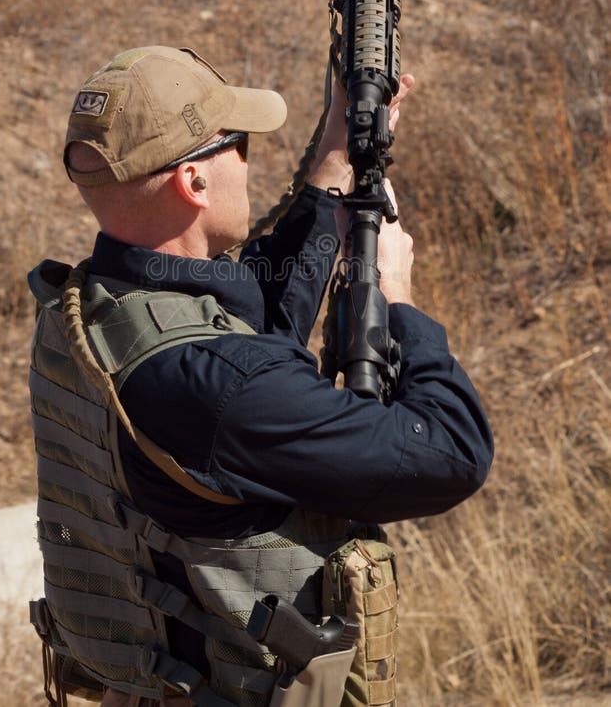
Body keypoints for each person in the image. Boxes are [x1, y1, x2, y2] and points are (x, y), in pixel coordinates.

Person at [28, 46, 493, 707]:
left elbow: (247, 323)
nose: (249, 163)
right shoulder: (216, 385)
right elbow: (451, 453)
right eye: (238, 146)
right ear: (193, 182)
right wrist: (394, 296)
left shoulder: (87, 308)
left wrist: (335, 160)